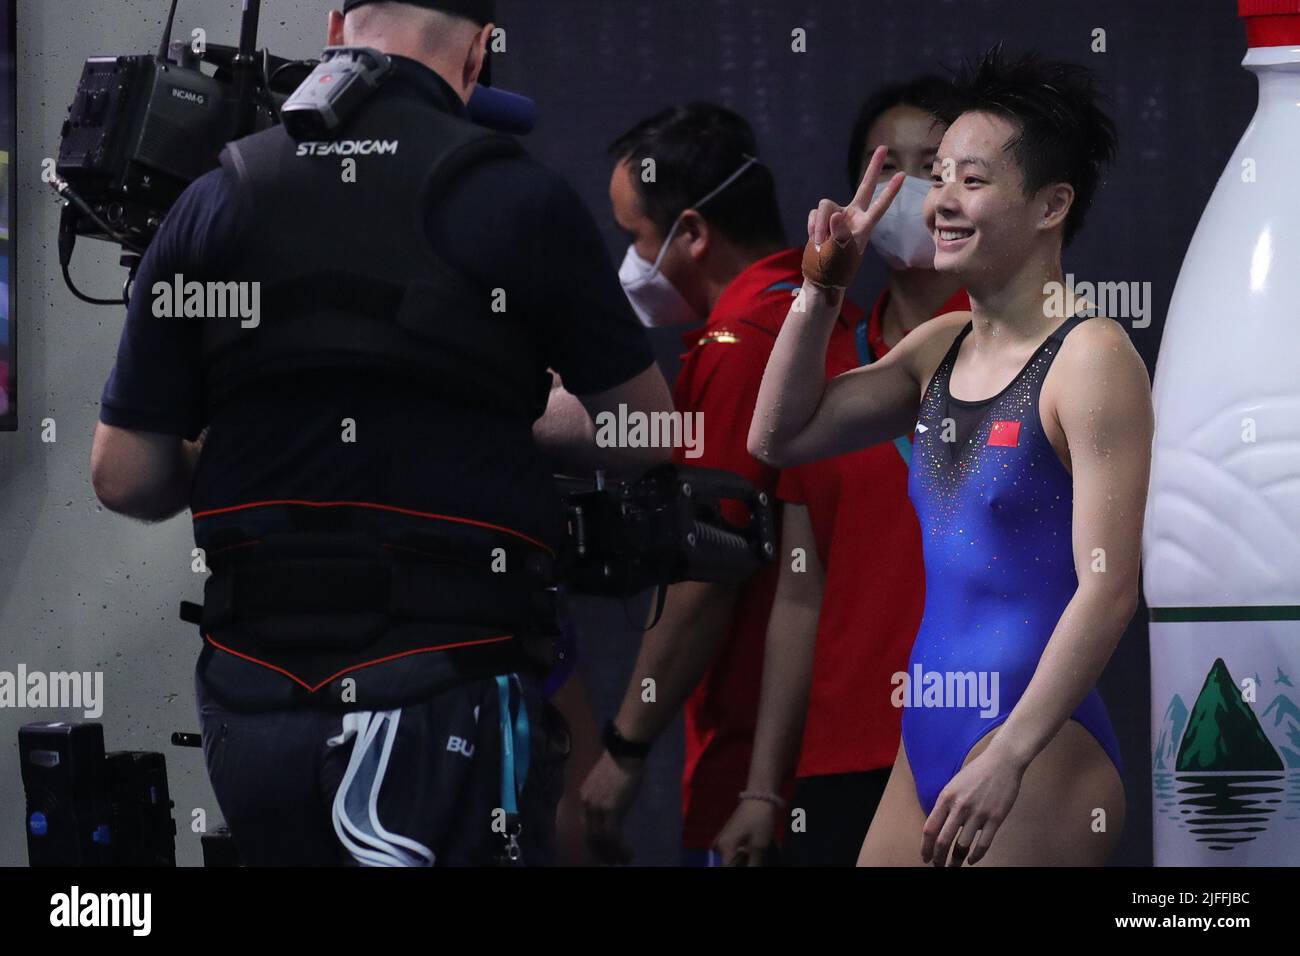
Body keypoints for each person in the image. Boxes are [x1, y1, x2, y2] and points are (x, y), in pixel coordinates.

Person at [90, 0, 672, 866]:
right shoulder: (519, 200)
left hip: (254, 701)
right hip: (449, 683)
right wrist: (516, 406)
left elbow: (125, 475)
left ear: (334, 27)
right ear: (479, 52)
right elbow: (647, 430)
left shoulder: (214, 201)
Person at [750, 47, 1151, 867]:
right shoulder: (940, 348)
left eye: (972, 179)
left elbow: (1110, 586)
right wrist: (820, 291)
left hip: (1037, 749)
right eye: (939, 177)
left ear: (1051, 206)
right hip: (925, 747)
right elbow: (777, 437)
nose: (941, 202)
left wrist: (1011, 754)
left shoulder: (1091, 356)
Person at [714, 75, 968, 867]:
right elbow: (798, 590)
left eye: (942, 164)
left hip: (983, 743)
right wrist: (764, 789)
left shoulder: (1032, 353)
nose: (918, 189)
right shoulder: (818, 369)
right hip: (843, 755)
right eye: (892, 166)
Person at [579, 103, 834, 866]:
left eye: (636, 237)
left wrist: (624, 747)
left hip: (755, 762)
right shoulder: (807, 308)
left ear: (692, 233)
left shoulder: (744, 344)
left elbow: (708, 571)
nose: (630, 260)